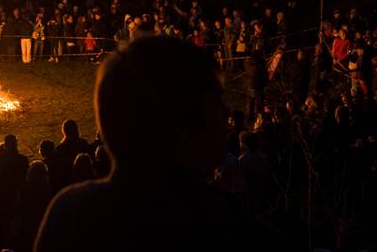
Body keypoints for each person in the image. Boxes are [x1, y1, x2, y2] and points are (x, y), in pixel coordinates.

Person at [35, 36, 278, 251]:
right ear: (177, 122)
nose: (226, 113)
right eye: (215, 102)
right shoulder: (220, 225)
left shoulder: (71, 213)